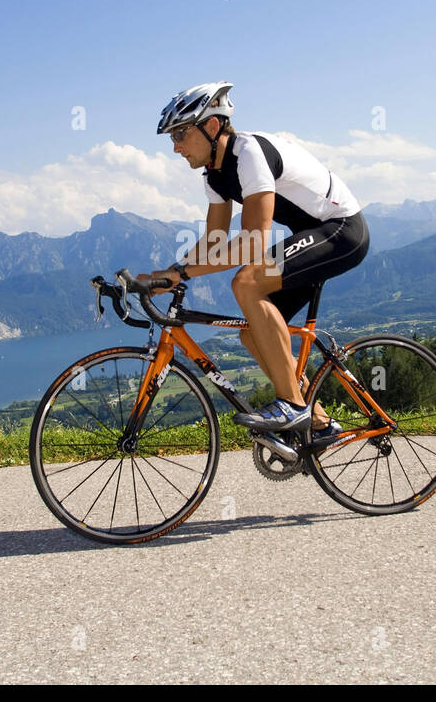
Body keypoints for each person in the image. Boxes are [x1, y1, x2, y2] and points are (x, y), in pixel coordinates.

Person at [140, 81, 369, 438]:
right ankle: (319, 423)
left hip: (341, 230)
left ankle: (292, 406)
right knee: (252, 335)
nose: (175, 147)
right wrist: (167, 275)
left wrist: (183, 272)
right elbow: (215, 240)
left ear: (212, 126)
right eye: (172, 138)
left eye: (181, 135)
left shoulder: (248, 153)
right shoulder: (215, 176)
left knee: (247, 280)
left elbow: (252, 243)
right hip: (310, 236)